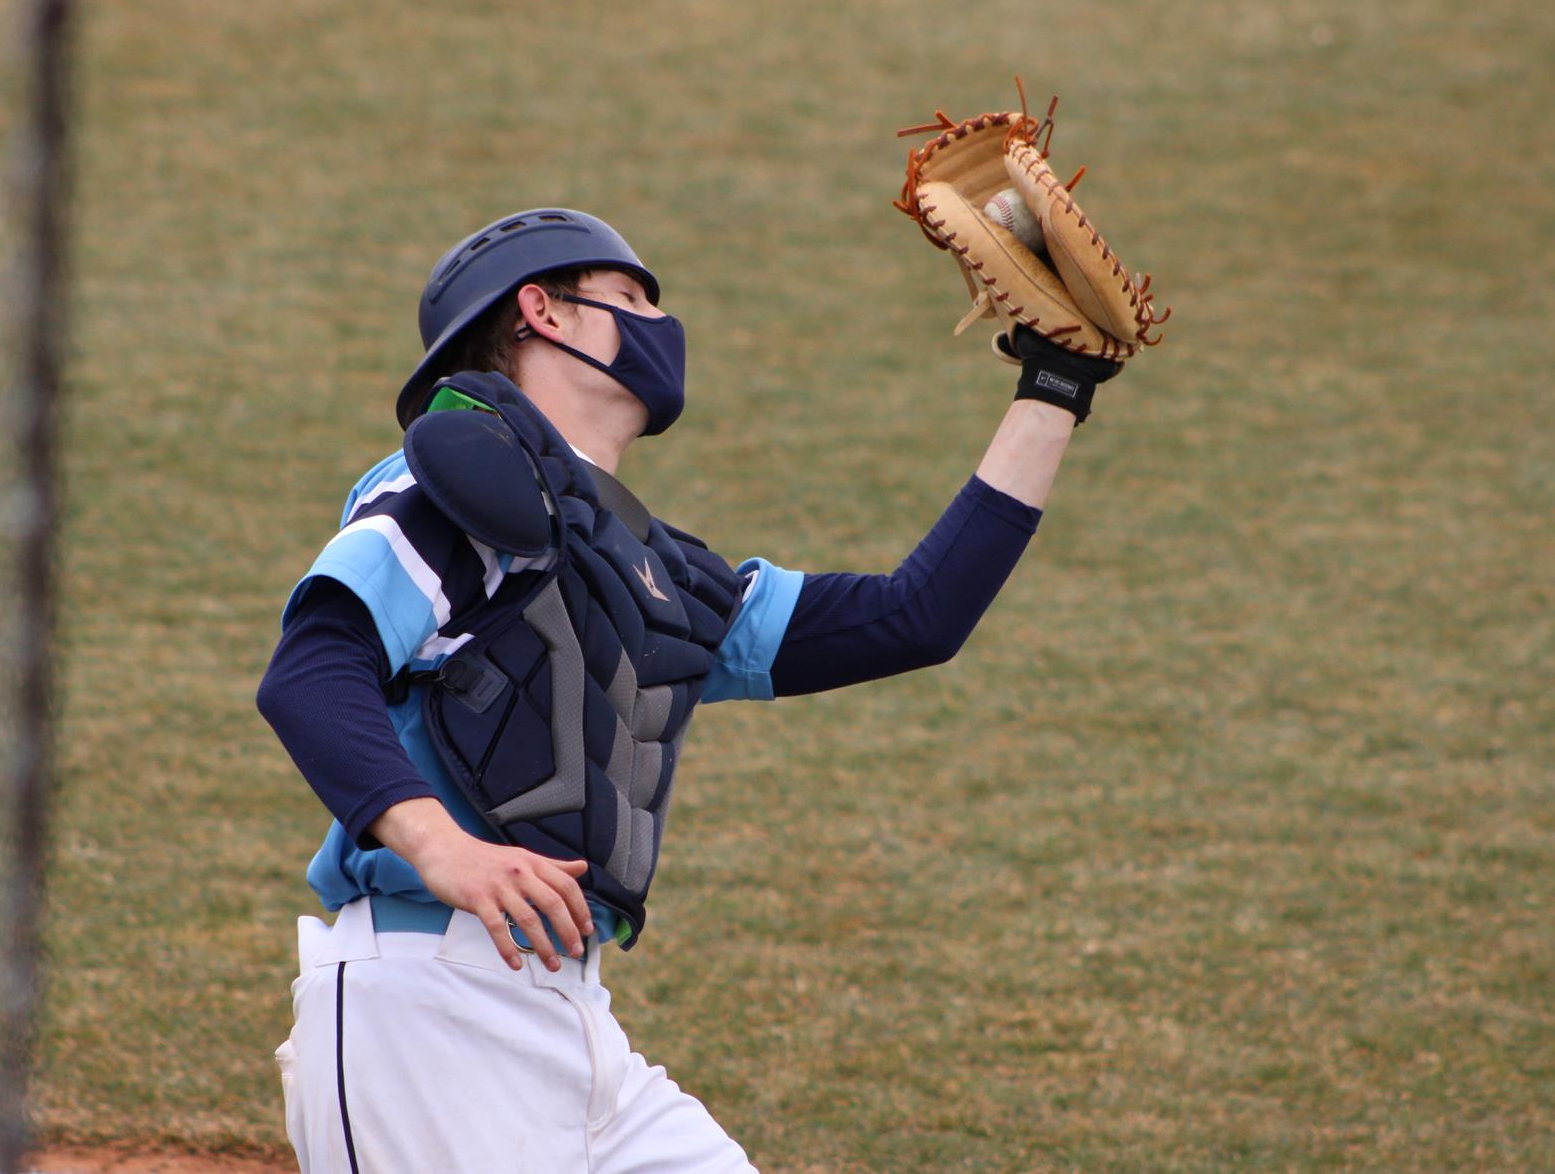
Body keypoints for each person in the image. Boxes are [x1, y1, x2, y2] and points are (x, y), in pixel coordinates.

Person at [257, 208, 1119, 1172]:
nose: (660, 327)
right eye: (629, 299)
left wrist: (1055, 384)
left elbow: (916, 616)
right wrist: (440, 843)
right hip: (424, 1013)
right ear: (542, 310)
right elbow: (313, 666)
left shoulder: (658, 576)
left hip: (572, 1024)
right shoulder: (455, 483)